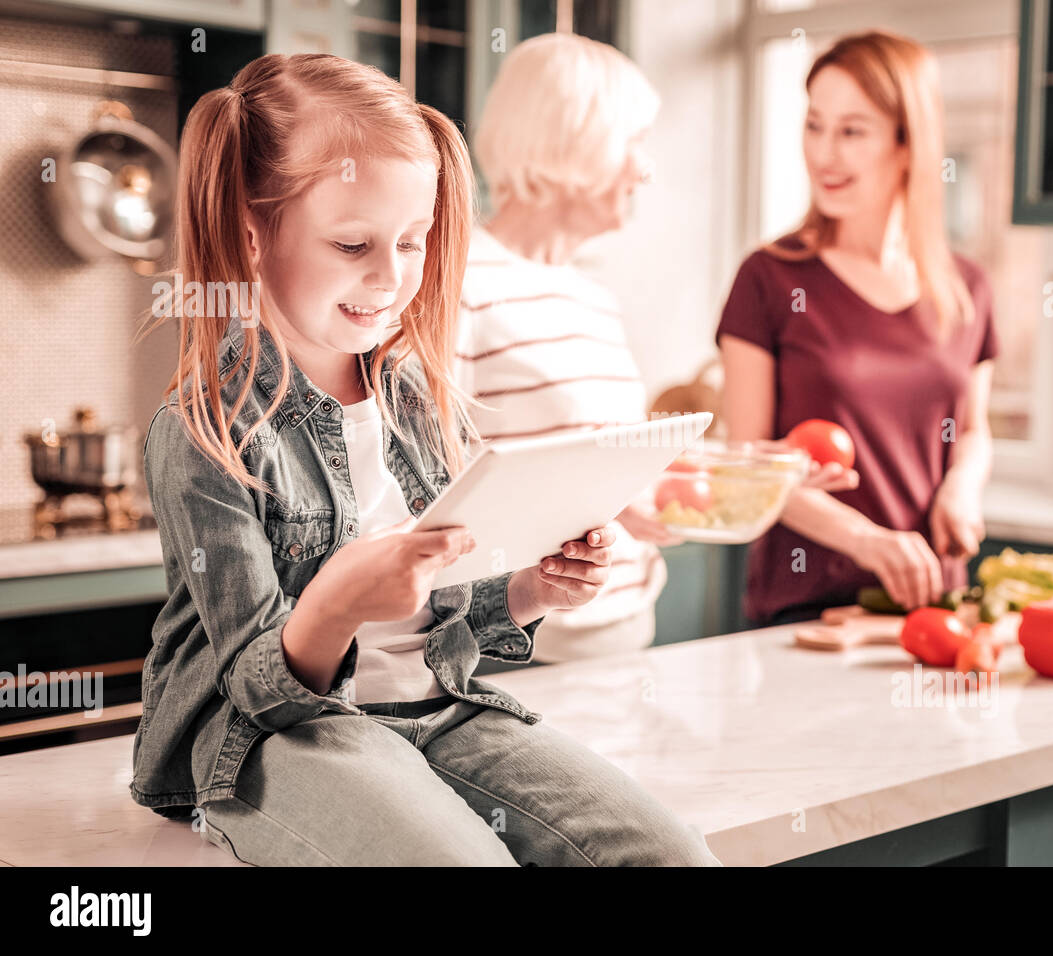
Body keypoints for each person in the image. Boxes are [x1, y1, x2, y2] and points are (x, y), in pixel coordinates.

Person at [133, 52, 719, 866]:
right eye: (351, 243)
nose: (391, 276)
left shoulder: (415, 398)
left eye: (413, 242)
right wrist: (334, 606)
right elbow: (254, 686)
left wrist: (529, 590)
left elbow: (442, 623)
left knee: (674, 856)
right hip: (283, 737)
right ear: (250, 232)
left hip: (440, 706)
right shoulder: (205, 430)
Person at [717, 31, 998, 628]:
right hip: (806, 612)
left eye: (852, 131)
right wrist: (866, 540)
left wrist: (961, 489)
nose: (824, 153)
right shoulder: (767, 279)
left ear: (907, 145)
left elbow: (973, 431)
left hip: (933, 606)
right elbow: (749, 461)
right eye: (814, 125)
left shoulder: (965, 286)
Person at [455, 33, 681, 662]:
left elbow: (598, 456)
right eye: (632, 142)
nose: (645, 167)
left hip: (627, 628)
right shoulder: (460, 283)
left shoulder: (593, 296)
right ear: (571, 144)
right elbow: (426, 479)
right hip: (521, 649)